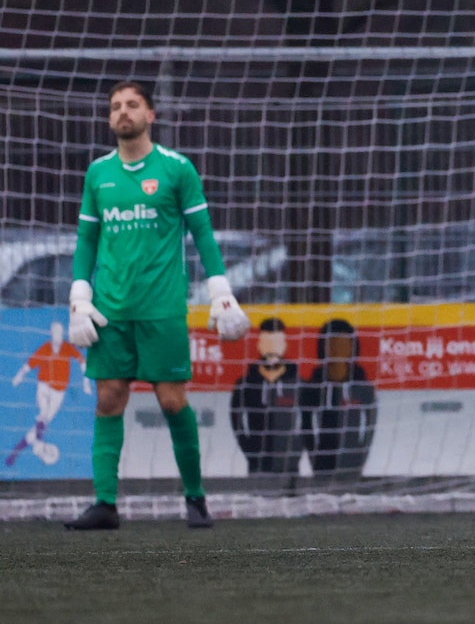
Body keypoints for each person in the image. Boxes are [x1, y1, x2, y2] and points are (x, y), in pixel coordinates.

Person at [64, 80, 251, 530]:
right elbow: (87, 239)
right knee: (109, 398)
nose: (122, 113)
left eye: (132, 105)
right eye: (115, 107)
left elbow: (203, 234)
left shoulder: (176, 169)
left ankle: (195, 498)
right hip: (110, 309)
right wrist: (78, 295)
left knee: (171, 401)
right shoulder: (98, 174)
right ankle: (105, 504)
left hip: (162, 309)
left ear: (151, 115)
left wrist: (220, 291)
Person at [300, 318, 378, 481]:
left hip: (352, 458)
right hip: (323, 458)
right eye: (333, 344)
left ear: (352, 348)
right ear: (324, 348)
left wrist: (361, 455)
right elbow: (306, 425)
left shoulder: (362, 386)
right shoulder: (313, 386)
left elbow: (369, 424)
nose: (337, 350)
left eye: (343, 344)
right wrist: (314, 456)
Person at [7, 320, 91, 467]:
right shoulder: (45, 348)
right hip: (44, 386)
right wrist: (19, 376)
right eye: (56, 333)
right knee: (43, 412)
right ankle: (36, 446)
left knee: (42, 423)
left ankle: (19, 450)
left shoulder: (67, 348)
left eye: (60, 333)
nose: (58, 336)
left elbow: (82, 361)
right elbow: (31, 363)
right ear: (52, 334)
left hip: (59, 392)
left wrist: (86, 382)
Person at [229, 316, 304, 476]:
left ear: (284, 345)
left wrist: (296, 449)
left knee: (291, 500)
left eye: (276, 343)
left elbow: (307, 419)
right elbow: (236, 419)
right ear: (259, 345)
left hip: (288, 462)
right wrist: (248, 448)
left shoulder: (299, 383)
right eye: (267, 342)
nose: (271, 348)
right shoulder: (245, 384)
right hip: (257, 461)